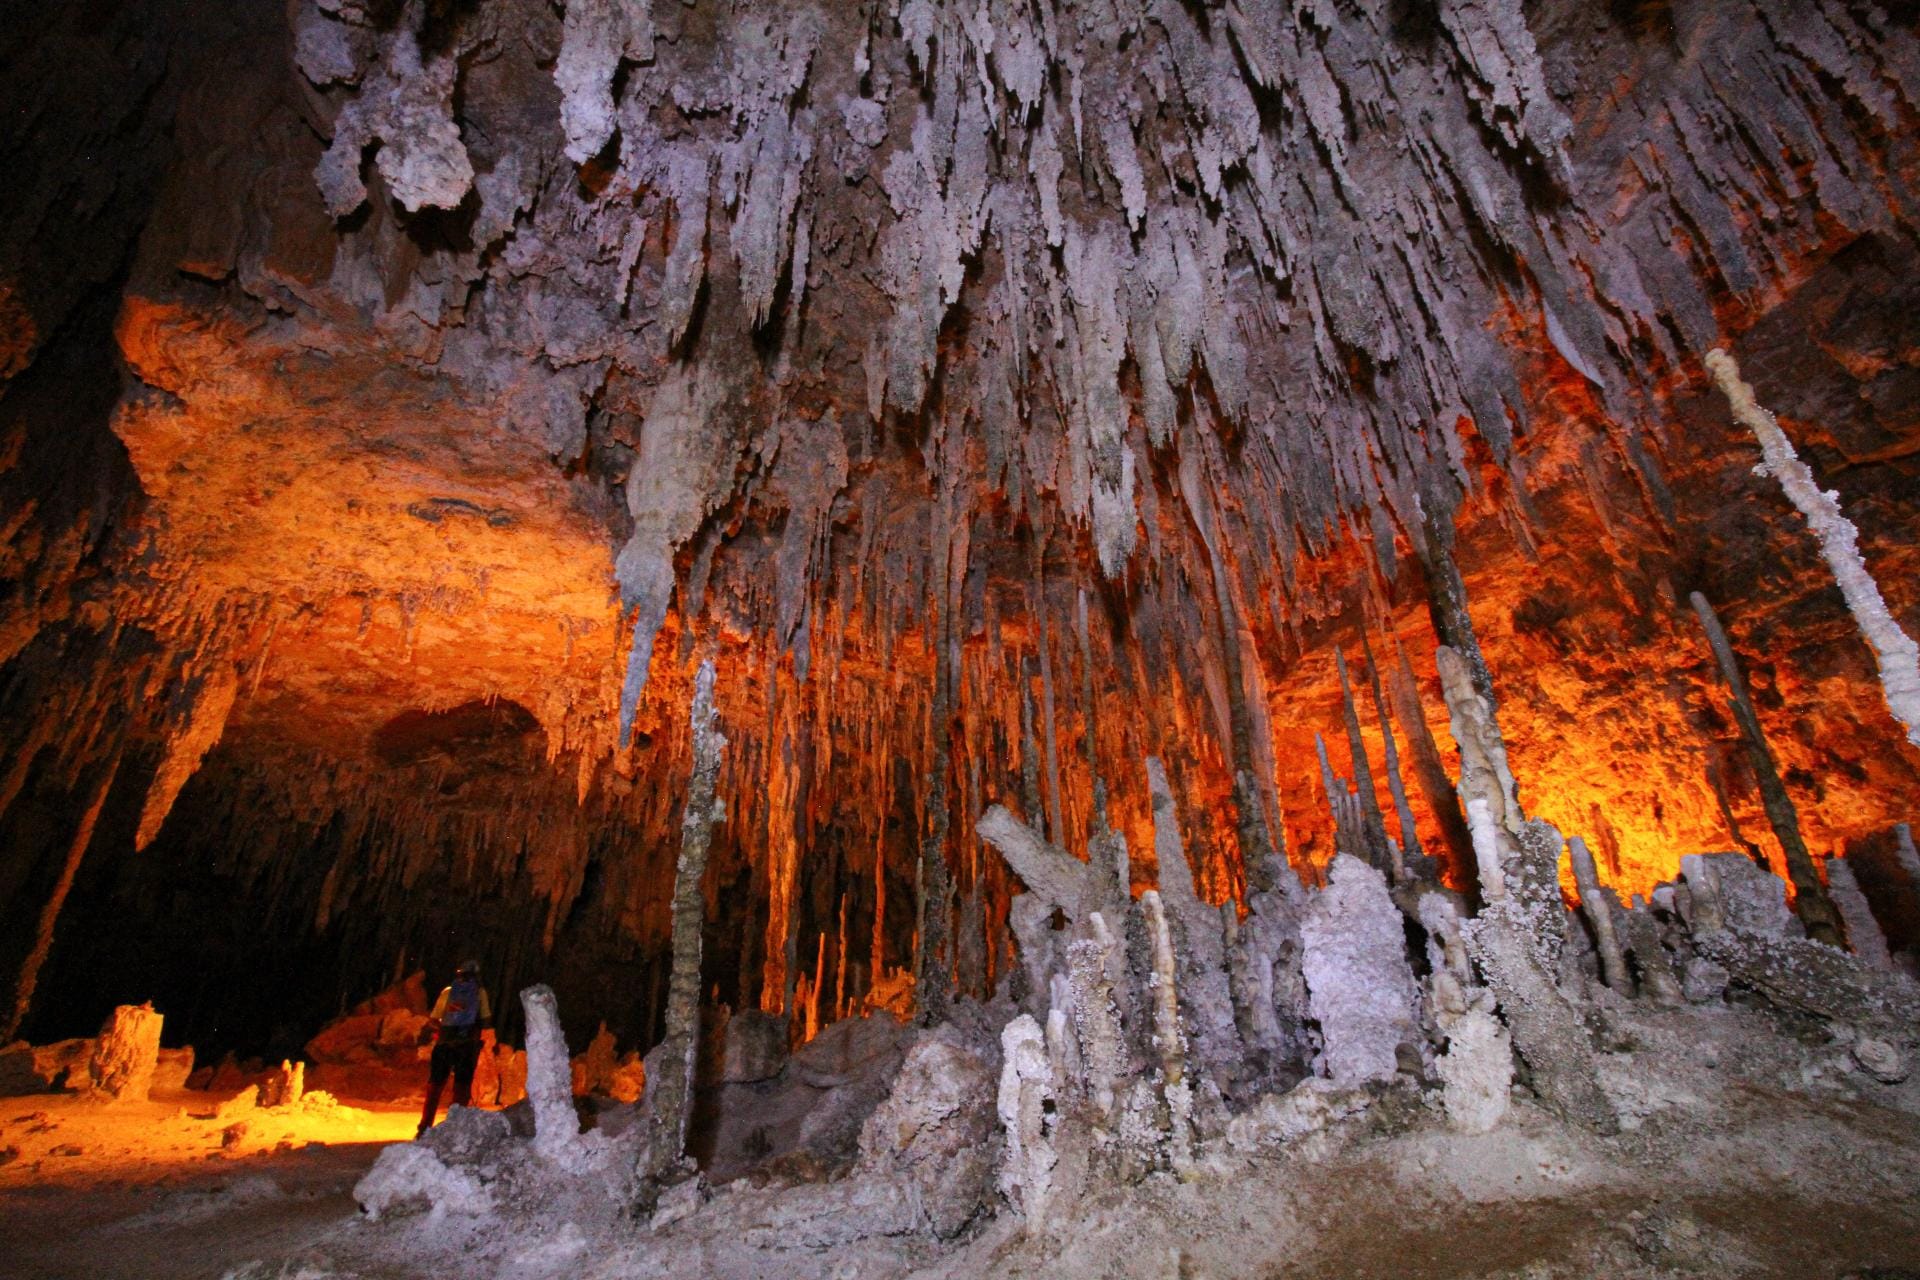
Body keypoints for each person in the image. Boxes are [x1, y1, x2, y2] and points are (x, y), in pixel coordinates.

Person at [417, 959, 493, 1136]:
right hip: (467, 1047)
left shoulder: (447, 992)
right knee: (461, 1087)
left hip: (444, 1044)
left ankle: (424, 1127)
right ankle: (454, 1129)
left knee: (435, 1085)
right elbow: (486, 1020)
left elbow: (434, 1018)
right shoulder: (480, 993)